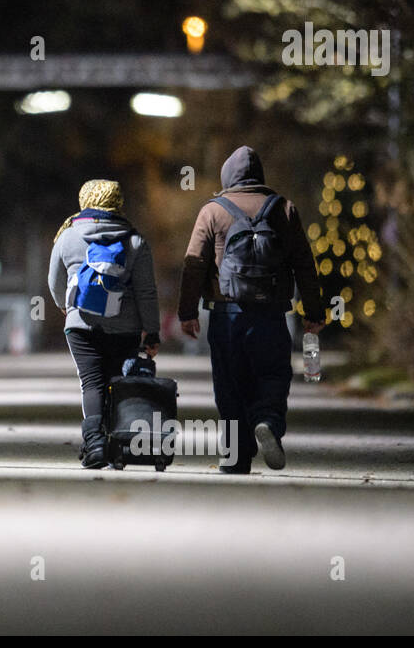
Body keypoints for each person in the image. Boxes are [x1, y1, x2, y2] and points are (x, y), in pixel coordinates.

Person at [177, 145, 325, 473]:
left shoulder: (212, 211)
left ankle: (234, 457)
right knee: (273, 373)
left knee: (229, 385)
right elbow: (304, 264)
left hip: (225, 314)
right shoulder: (284, 208)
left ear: (227, 176)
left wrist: (187, 312)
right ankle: (268, 421)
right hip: (272, 314)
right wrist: (313, 312)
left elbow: (194, 264)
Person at [48, 179, 161, 469]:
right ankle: (116, 445)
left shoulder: (68, 236)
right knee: (117, 382)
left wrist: (65, 306)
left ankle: (94, 443)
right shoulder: (135, 241)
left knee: (91, 383)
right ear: (118, 203)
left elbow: (54, 282)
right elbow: (147, 291)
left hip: (80, 325)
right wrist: (152, 330)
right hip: (125, 327)